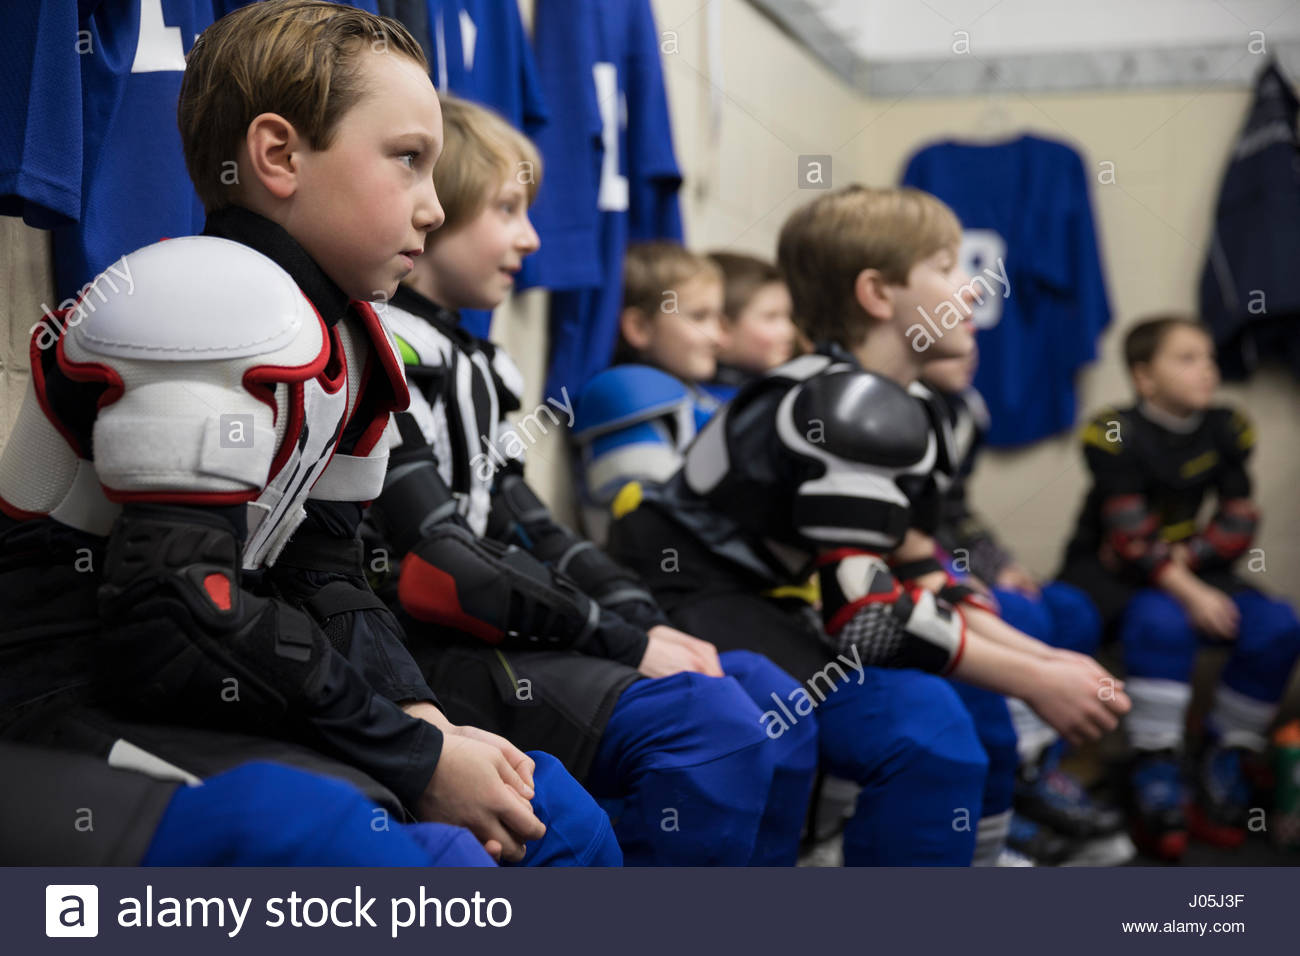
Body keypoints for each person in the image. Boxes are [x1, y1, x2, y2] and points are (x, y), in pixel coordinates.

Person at [0, 0, 619, 867]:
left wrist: (419, 717)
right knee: (380, 842)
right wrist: (406, 757)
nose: (435, 208)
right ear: (279, 155)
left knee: (553, 814)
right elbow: (172, 612)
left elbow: (330, 579)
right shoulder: (201, 297)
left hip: (191, 678)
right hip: (56, 690)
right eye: (408, 162)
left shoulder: (348, 341)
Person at [605, 185, 1133, 866]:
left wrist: (1044, 662)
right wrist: (1033, 679)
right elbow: (868, 616)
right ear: (879, 296)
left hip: (779, 595)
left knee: (977, 719)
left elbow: (917, 561)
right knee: (926, 730)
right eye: (947, 268)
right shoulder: (845, 403)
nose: (973, 289)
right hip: (691, 596)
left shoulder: (903, 400)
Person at [365, 93, 817, 866]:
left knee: (778, 700)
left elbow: (530, 524)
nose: (532, 239)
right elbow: (440, 568)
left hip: (491, 630)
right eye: (507, 211)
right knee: (709, 729)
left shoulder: (477, 362)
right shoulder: (385, 348)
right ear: (437, 209)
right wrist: (623, 638)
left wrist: (642, 620)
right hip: (414, 650)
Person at [1058, 314, 1300, 860]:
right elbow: (1127, 538)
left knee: (1278, 624)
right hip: (1114, 576)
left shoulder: (1227, 427)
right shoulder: (1112, 430)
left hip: (1188, 561)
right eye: (1186, 358)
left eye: (1209, 358)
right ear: (1144, 377)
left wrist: (1186, 564)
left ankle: (1227, 753)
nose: (1207, 369)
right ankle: (1156, 765)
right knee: (1160, 621)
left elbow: (1239, 520)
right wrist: (1187, 587)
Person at [920, 349, 1129, 866]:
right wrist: (958, 575)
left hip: (948, 558)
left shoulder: (964, 409)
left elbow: (954, 510)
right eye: (956, 342)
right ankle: (1012, 782)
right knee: (1021, 615)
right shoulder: (895, 407)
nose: (970, 351)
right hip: (920, 574)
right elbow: (903, 533)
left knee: (1070, 608)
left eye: (976, 344)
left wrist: (998, 562)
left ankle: (1039, 770)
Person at [700, 251, 800, 404]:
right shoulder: (706, 405)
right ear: (720, 325)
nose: (789, 331)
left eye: (789, 316)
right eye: (771, 317)